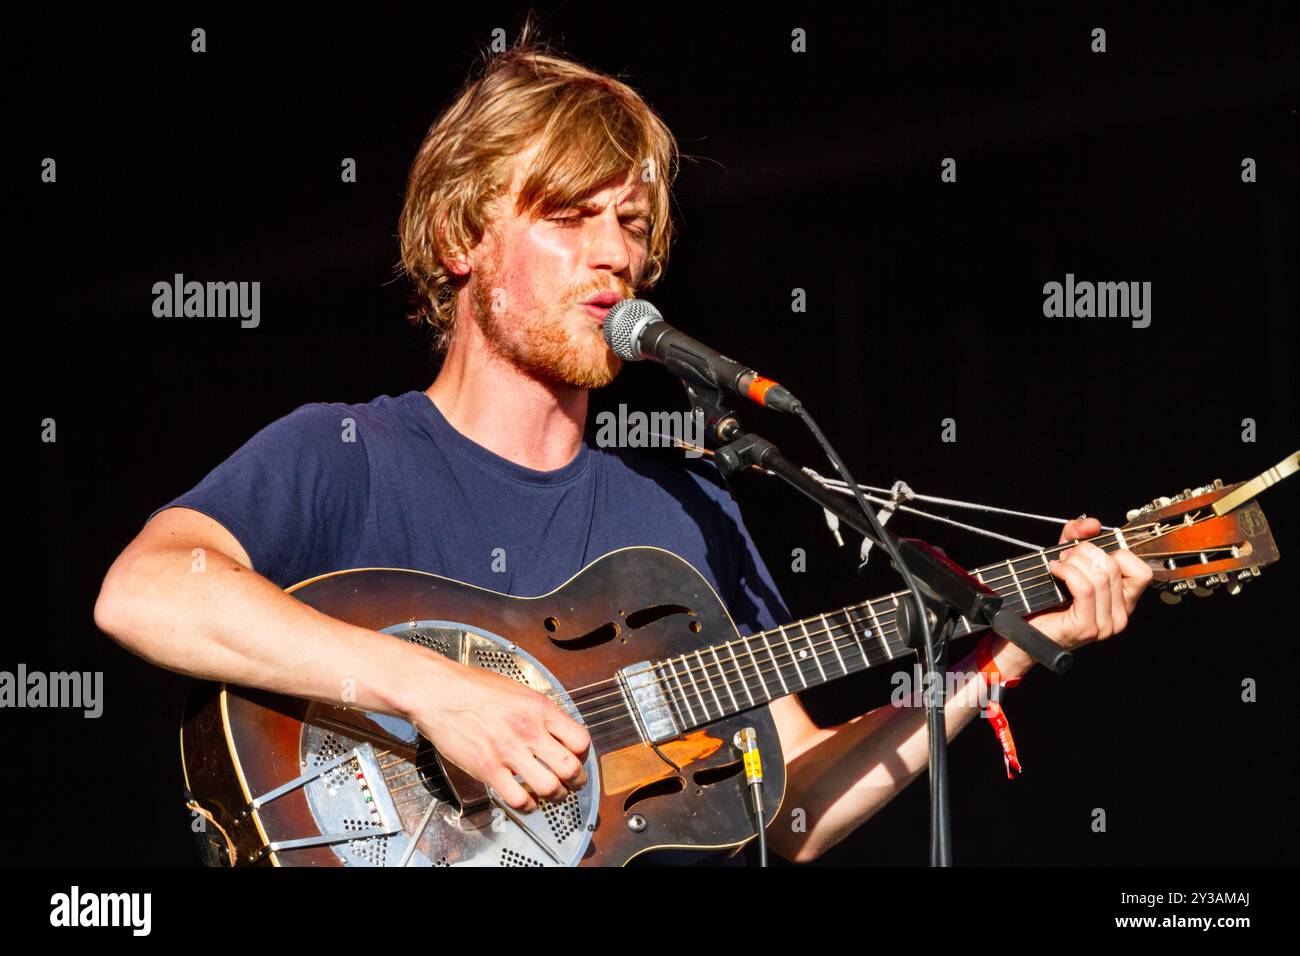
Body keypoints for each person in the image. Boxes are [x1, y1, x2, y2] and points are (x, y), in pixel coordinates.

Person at [93, 30, 1154, 865]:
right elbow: (144, 591)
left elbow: (790, 813)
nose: (615, 257)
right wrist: (436, 689)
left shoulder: (683, 511)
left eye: (632, 222)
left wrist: (999, 648)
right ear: (464, 238)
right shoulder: (346, 452)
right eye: (569, 215)